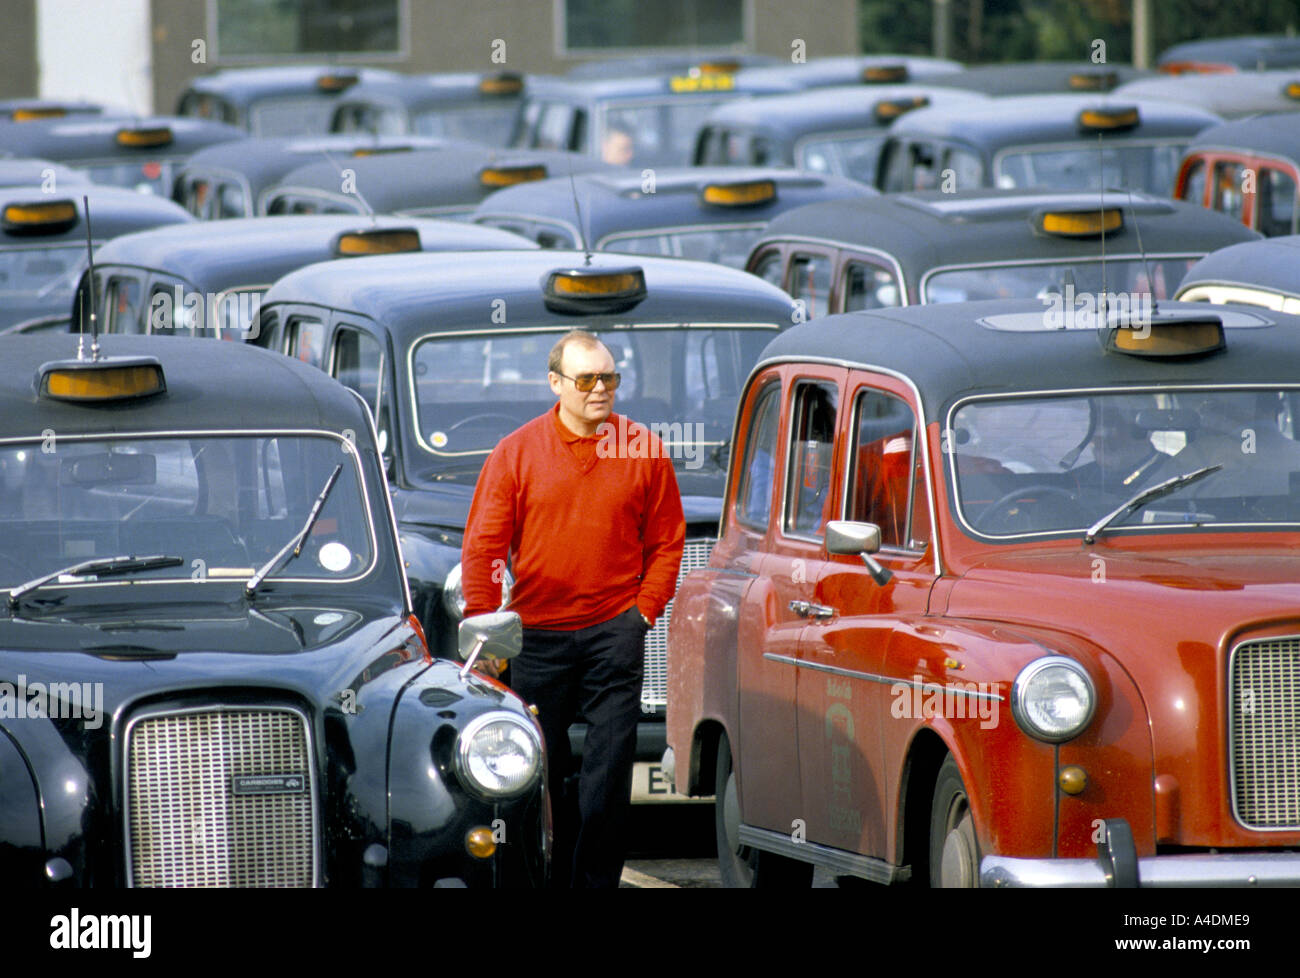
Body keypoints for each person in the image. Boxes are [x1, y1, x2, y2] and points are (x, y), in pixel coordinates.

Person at [460, 329, 685, 887]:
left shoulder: (644, 450)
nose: (600, 389)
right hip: (536, 638)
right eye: (586, 379)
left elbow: (667, 542)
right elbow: (484, 547)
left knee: (606, 783)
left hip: (615, 635)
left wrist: (643, 615)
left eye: (610, 377)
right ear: (556, 383)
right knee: (539, 777)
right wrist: (486, 637)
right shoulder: (515, 453)